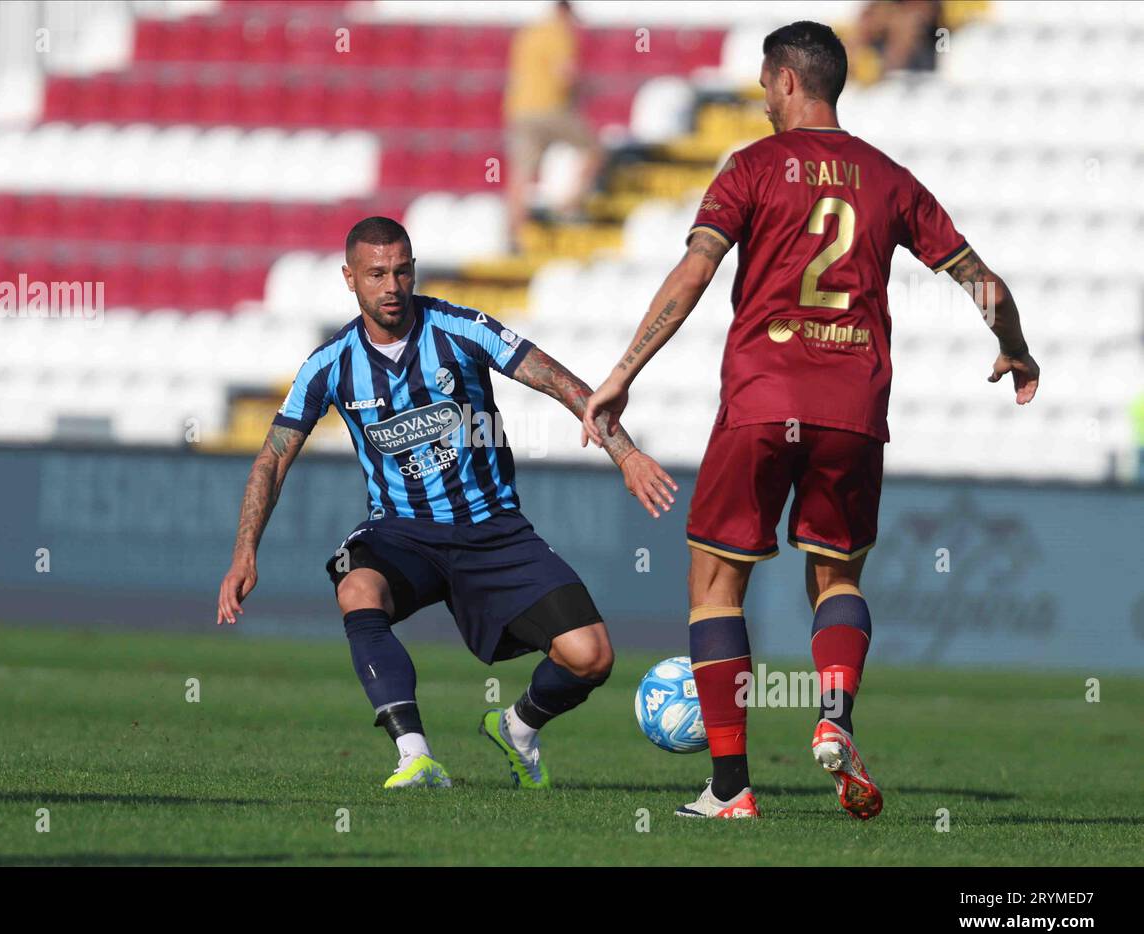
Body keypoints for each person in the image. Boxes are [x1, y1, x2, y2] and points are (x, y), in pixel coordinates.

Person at [581, 22, 1039, 820]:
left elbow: (694, 273)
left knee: (716, 585)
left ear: (786, 81)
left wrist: (621, 376)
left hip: (763, 400)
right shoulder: (888, 176)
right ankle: (834, 715)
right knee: (838, 576)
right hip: (854, 410)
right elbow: (983, 282)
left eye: (765, 85)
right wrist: (1017, 350)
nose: (762, 100)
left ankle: (730, 790)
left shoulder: (752, 167)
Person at [217, 216, 677, 790]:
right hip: (402, 533)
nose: (392, 286)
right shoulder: (329, 364)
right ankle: (415, 756)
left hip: (494, 531)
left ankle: (517, 725)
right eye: (376, 274)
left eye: (402, 270)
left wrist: (626, 455)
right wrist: (245, 551)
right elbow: (272, 457)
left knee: (592, 657)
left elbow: (561, 382)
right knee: (357, 587)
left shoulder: (460, 329)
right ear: (349, 279)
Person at [503, 0, 604, 247]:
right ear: (565, 10)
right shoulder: (560, 32)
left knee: (522, 174)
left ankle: (513, 233)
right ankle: (569, 205)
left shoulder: (528, 33)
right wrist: (586, 90)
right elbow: (565, 73)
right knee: (595, 150)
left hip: (520, 110)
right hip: (551, 108)